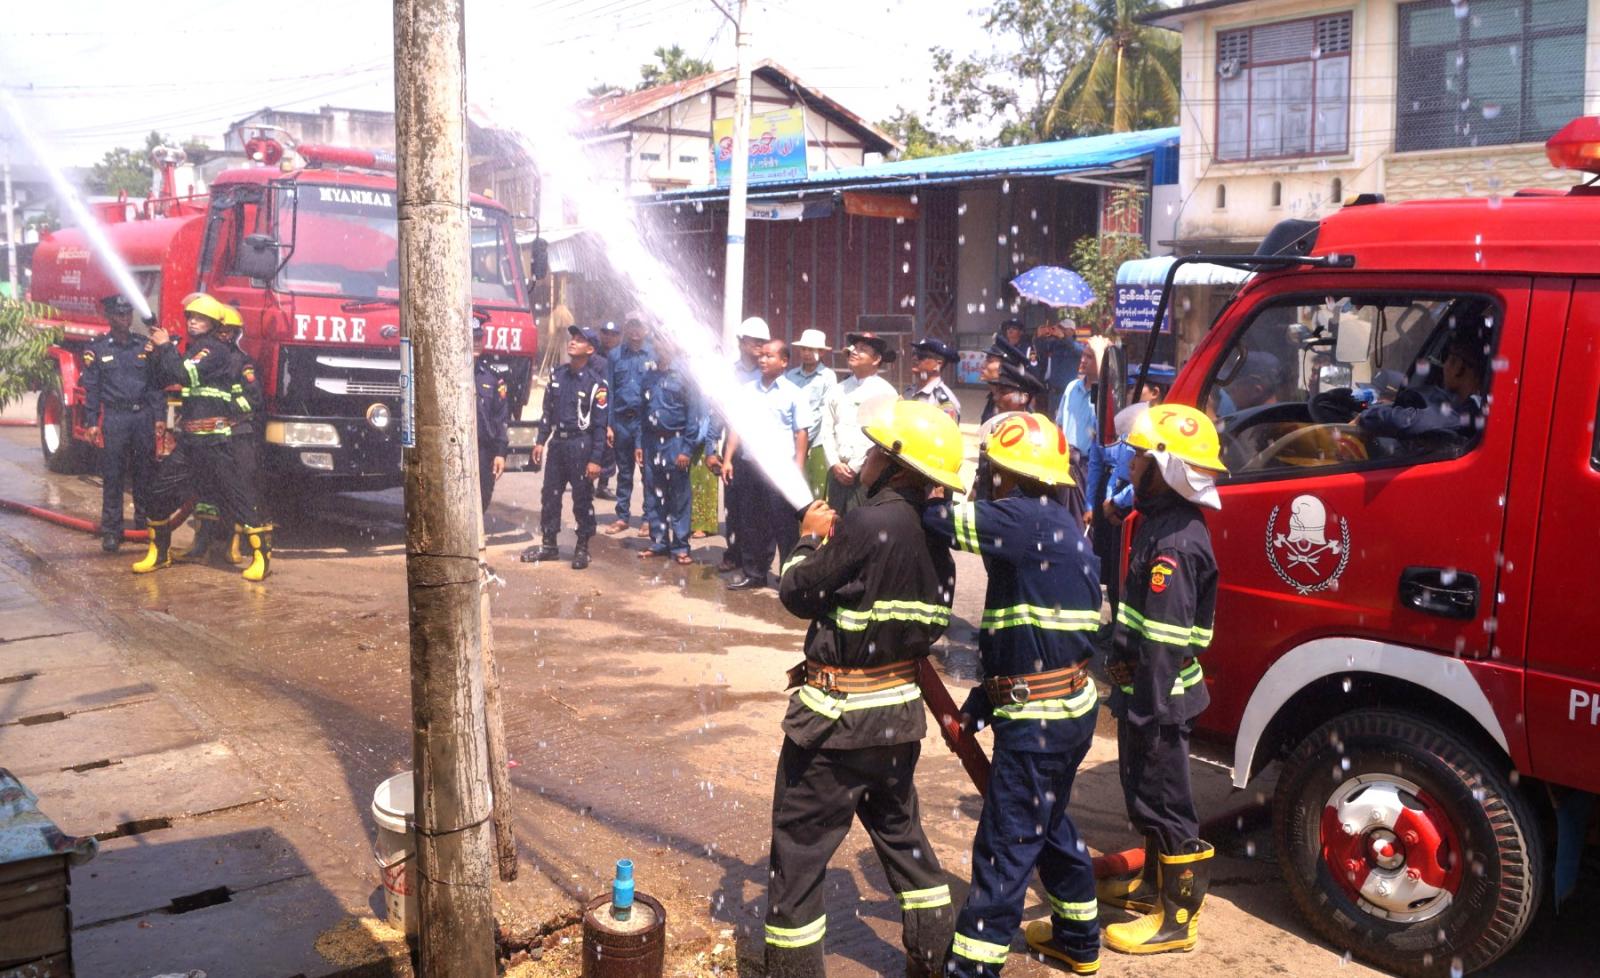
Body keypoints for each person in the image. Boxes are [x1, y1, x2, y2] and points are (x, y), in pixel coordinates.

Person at [765, 399, 964, 978]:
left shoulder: (868, 525)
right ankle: (931, 961)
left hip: (834, 728)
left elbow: (798, 594)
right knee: (906, 845)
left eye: (877, 449)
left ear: (897, 463)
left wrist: (808, 539)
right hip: (895, 726)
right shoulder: (937, 548)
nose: (868, 457)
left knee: (799, 859)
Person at [923, 412, 1103, 978]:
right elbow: (1031, 638)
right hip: (1063, 704)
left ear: (1004, 472)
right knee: (1046, 822)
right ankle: (1078, 937)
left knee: (1005, 846)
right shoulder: (1059, 522)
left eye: (991, 469)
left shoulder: (1020, 519)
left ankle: (973, 968)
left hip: (1041, 718)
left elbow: (937, 521)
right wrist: (981, 703)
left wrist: (927, 484)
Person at [1100, 403, 1226, 956]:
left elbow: (1165, 644)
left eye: (1139, 457)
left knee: (1168, 804)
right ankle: (1154, 887)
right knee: (1147, 795)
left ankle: (1178, 920)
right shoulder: (1160, 522)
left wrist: (1146, 714)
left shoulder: (1172, 545)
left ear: (1167, 469)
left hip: (1161, 699)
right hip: (1148, 693)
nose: (1129, 465)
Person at [131, 293, 271, 581]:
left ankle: (262, 557)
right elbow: (163, 380)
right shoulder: (193, 350)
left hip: (216, 442)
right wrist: (155, 355)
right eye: (191, 318)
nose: (193, 322)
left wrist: (166, 348)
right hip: (190, 444)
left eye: (200, 319)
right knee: (158, 494)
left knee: (238, 499)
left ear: (214, 324)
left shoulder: (214, 350)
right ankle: (158, 553)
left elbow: (183, 374)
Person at [723, 339, 810, 590]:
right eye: (761, 356)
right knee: (751, 522)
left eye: (770, 356)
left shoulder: (794, 393)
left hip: (780, 468)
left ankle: (789, 576)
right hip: (750, 466)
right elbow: (737, 427)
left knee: (783, 525)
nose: (763, 360)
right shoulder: (748, 390)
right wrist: (728, 458)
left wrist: (798, 467)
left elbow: (801, 433)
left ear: (784, 362)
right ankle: (754, 573)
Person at [522, 325, 610, 570]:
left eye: (580, 340)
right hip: (558, 444)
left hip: (581, 443)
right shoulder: (558, 375)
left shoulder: (596, 385)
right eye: (572, 338)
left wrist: (595, 459)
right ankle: (549, 544)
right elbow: (547, 412)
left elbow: (601, 426)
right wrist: (540, 440)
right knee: (549, 495)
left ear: (590, 349)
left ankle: (583, 547)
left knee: (582, 498)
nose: (573, 342)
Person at [82, 295, 161, 553]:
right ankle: (112, 531)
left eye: (128, 314)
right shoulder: (99, 349)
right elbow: (92, 388)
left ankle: (143, 525)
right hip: (116, 418)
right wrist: (92, 422)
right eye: (119, 314)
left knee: (144, 473)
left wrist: (159, 417)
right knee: (113, 475)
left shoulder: (143, 346)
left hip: (142, 417)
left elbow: (154, 385)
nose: (125, 319)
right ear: (109, 317)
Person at [639, 332, 707, 565]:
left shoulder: (685, 376)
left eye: (664, 339)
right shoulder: (649, 375)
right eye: (657, 340)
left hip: (675, 442)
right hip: (651, 442)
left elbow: (694, 415)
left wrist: (686, 449)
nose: (660, 344)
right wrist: (640, 444)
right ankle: (659, 542)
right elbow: (643, 411)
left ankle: (680, 546)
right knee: (654, 494)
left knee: (678, 496)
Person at [818, 332, 897, 514]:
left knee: (859, 525)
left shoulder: (886, 393)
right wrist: (834, 463)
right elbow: (827, 430)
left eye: (862, 350)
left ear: (876, 359)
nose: (854, 352)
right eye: (854, 348)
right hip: (837, 471)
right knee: (834, 524)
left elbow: (881, 435)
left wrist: (855, 466)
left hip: (865, 473)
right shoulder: (838, 390)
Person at [716, 316, 772, 573]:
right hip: (735, 445)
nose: (761, 347)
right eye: (756, 341)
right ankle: (733, 553)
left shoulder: (768, 370)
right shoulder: (729, 372)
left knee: (761, 506)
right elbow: (716, 411)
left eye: (764, 342)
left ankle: (759, 558)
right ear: (742, 342)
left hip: (763, 444)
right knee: (734, 502)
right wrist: (710, 447)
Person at [1357, 331, 1487, 441]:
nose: (1443, 366)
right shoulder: (1470, 404)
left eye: (1446, 359)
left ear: (1458, 367)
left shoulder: (1473, 411)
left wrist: (1366, 417)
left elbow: (1407, 421)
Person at [605, 316, 655, 536]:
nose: (635, 331)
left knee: (648, 472)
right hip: (621, 421)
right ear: (625, 328)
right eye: (631, 326)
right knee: (624, 472)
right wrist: (609, 425)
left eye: (640, 326)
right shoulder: (615, 355)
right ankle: (622, 516)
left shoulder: (653, 355)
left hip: (644, 422)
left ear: (647, 329)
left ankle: (648, 518)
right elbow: (609, 392)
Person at [973, 361, 1046, 501]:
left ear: (1023, 397)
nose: (996, 397)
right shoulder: (995, 425)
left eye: (1004, 392)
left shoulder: (1033, 435)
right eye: (997, 391)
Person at [785, 328, 837, 500]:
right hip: (791, 439)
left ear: (821, 352)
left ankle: (815, 527)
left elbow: (823, 411)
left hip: (816, 442)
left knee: (814, 489)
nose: (806, 353)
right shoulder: (790, 376)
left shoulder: (827, 377)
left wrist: (805, 437)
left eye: (811, 350)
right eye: (803, 349)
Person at [474, 319, 511, 517]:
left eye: (479, 338)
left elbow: (500, 418)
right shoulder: (446, 373)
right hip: (454, 448)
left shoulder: (492, 377)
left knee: (483, 495)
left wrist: (500, 453)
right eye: (472, 338)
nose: (476, 342)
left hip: (483, 449)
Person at [593, 321, 623, 502]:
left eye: (613, 334)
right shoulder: (592, 354)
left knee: (610, 449)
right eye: (605, 332)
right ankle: (588, 483)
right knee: (594, 445)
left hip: (614, 407)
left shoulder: (621, 356)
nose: (609, 337)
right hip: (595, 406)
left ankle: (602, 485)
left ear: (619, 336)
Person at [904, 338, 960, 424]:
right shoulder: (909, 392)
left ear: (938, 364)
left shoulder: (944, 402)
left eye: (922, 355)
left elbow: (946, 435)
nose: (915, 358)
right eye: (914, 353)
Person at [979, 334, 1031, 424]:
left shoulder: (1012, 403)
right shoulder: (993, 398)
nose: (983, 365)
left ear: (1005, 366)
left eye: (990, 361)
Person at [1032, 321, 1079, 417]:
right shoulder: (1055, 344)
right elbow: (1040, 350)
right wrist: (1040, 336)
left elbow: (1078, 350)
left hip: (1067, 392)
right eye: (1059, 328)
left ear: (1072, 331)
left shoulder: (1076, 345)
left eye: (1064, 329)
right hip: (1053, 393)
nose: (1061, 331)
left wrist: (1064, 338)